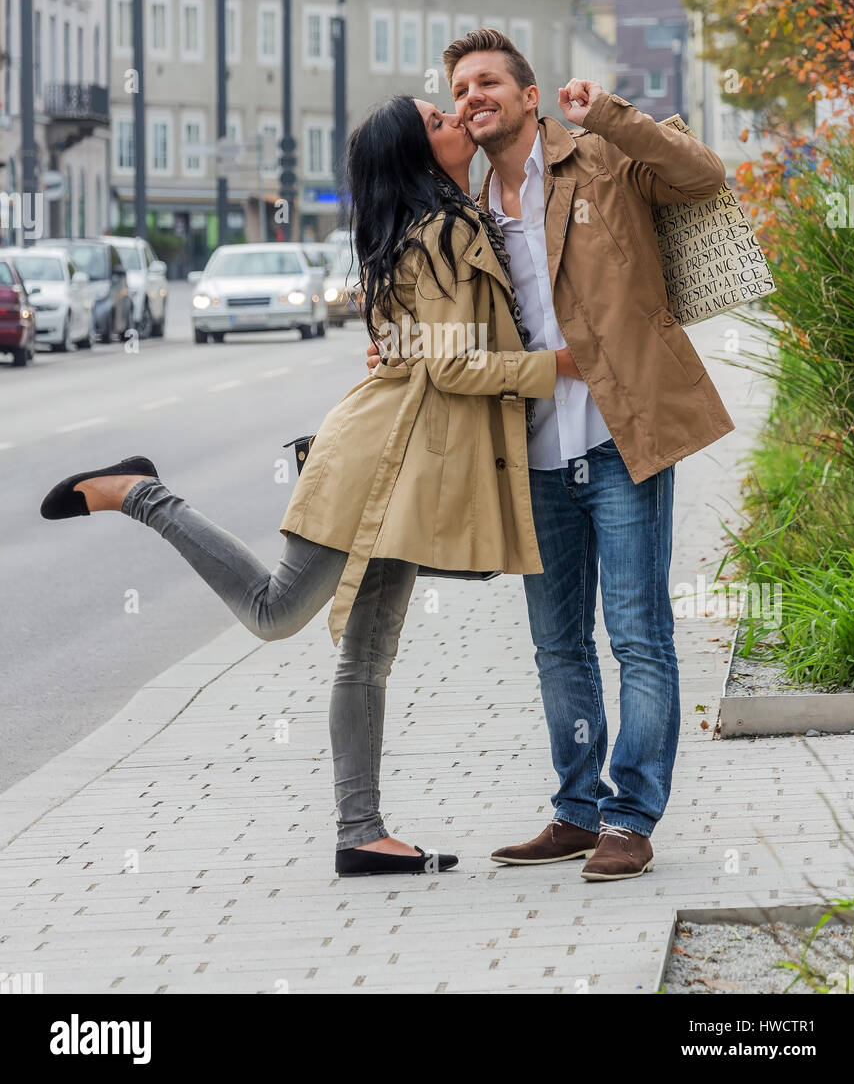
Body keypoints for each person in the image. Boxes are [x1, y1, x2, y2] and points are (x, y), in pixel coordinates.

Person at [39, 93, 581, 878]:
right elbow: (452, 365)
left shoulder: (445, 224)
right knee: (275, 611)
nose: (456, 120)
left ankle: (360, 833)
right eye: (437, 120)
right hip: (378, 456)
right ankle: (142, 493)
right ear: (418, 156)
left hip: (411, 463)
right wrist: (557, 370)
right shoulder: (444, 232)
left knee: (368, 656)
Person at [369, 31, 735, 881]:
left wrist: (610, 111)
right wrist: (390, 341)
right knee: (558, 645)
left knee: (640, 637)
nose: (471, 97)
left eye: (489, 81)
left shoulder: (603, 156)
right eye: (460, 88)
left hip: (621, 434)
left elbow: (704, 177)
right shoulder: (464, 207)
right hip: (529, 452)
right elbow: (428, 309)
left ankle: (631, 818)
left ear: (529, 95)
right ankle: (577, 810)